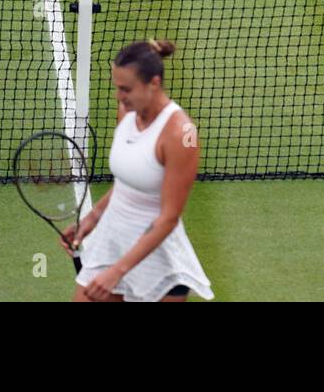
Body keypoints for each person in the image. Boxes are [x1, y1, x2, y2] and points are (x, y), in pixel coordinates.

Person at [65, 39, 214, 302]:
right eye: (117, 88)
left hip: (155, 257)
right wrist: (92, 219)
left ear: (153, 83)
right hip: (112, 240)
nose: (119, 96)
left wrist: (117, 271)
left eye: (126, 89)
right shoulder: (127, 111)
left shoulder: (181, 134)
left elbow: (169, 218)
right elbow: (127, 181)